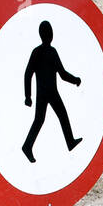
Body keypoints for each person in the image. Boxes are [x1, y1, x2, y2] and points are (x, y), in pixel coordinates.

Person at [21, 20, 82, 162]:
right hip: (49, 92)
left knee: (49, 118)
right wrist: (76, 80)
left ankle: (69, 142)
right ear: (50, 35)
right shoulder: (50, 51)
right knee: (48, 118)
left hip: (45, 92)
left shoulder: (37, 52)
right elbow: (62, 74)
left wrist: (28, 96)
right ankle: (27, 146)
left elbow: (28, 74)